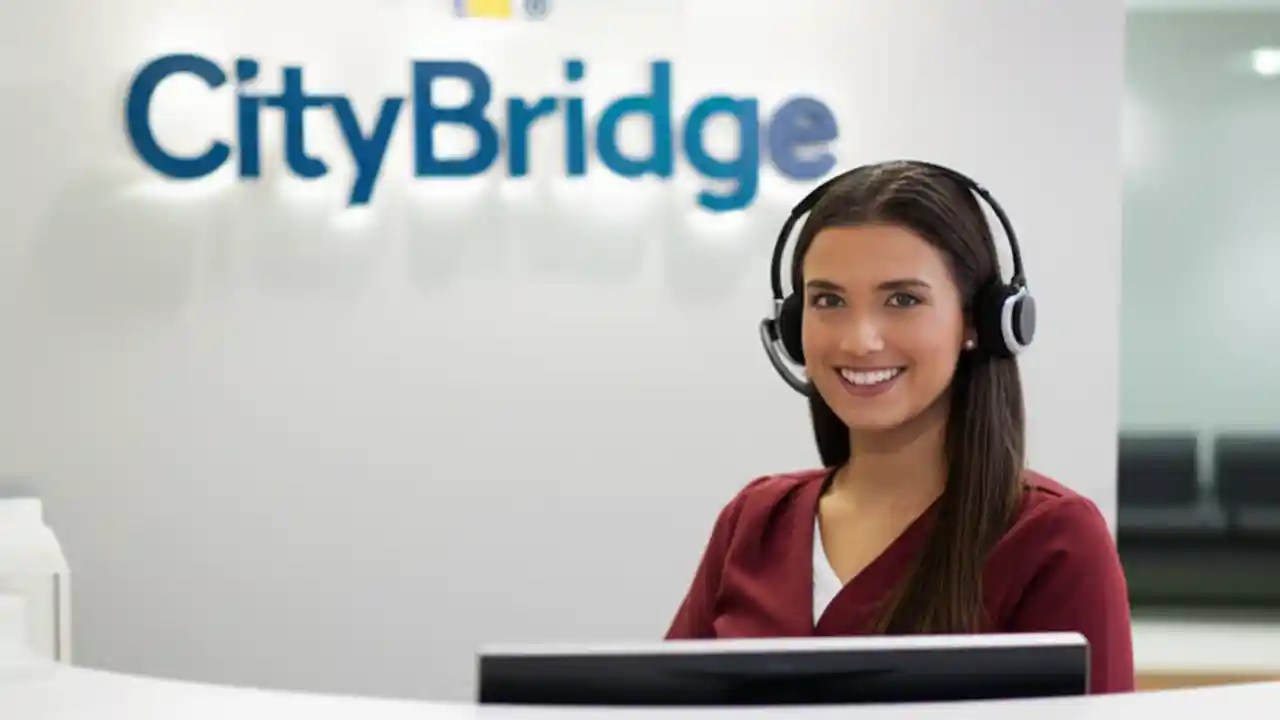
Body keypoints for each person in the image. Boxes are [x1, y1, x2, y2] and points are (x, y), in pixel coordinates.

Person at [664, 160, 1135, 694]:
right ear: (794, 328)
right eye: (828, 300)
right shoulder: (755, 522)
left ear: (978, 323)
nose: (860, 339)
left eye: (903, 300)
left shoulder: (1052, 539)